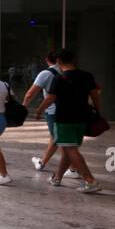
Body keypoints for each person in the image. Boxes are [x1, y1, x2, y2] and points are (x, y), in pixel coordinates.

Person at [36, 49, 103, 194]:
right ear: (74, 60)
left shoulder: (59, 78)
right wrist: (98, 110)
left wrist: (39, 110)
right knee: (69, 148)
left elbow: (50, 98)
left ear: (59, 62)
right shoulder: (87, 76)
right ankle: (57, 178)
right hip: (82, 118)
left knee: (70, 149)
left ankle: (90, 180)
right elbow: (95, 95)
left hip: (65, 118)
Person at [22, 49, 78, 178]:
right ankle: (42, 162)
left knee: (61, 139)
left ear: (47, 60)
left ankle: (74, 169)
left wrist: (24, 107)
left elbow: (31, 93)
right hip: (69, 109)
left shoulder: (45, 73)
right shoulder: (67, 71)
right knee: (56, 137)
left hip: (53, 110)